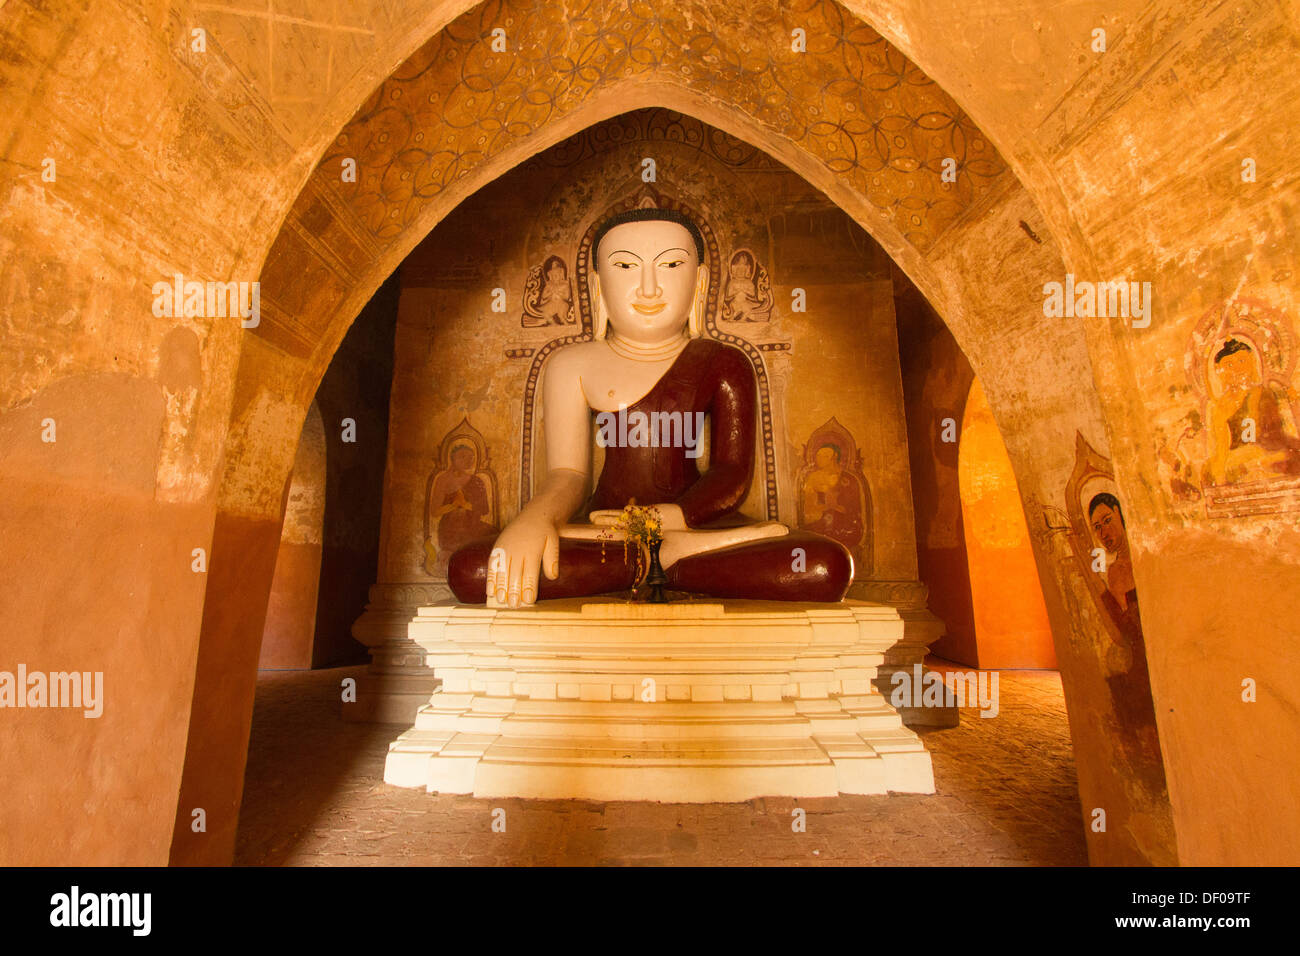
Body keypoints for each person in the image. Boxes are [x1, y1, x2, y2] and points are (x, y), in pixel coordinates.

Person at [449, 208, 851, 607]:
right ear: (597, 285)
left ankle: (656, 561)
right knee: (477, 569)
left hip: (696, 528)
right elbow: (568, 474)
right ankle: (664, 563)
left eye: (672, 264)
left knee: (820, 565)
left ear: (700, 281)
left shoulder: (724, 362)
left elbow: (731, 474)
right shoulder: (570, 364)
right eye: (625, 266)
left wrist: (671, 520)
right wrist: (536, 519)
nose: (648, 288)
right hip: (606, 532)